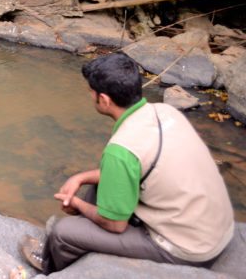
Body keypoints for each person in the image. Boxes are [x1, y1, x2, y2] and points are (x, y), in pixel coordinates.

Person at [20, 53, 234, 273]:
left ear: (104, 100)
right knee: (100, 185)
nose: (90, 96)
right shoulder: (165, 111)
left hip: (188, 249)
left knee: (62, 232)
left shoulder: (121, 149)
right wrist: (80, 177)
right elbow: (134, 168)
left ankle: (52, 269)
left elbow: (115, 225)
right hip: (215, 229)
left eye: (91, 93)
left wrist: (78, 205)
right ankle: (88, 240)